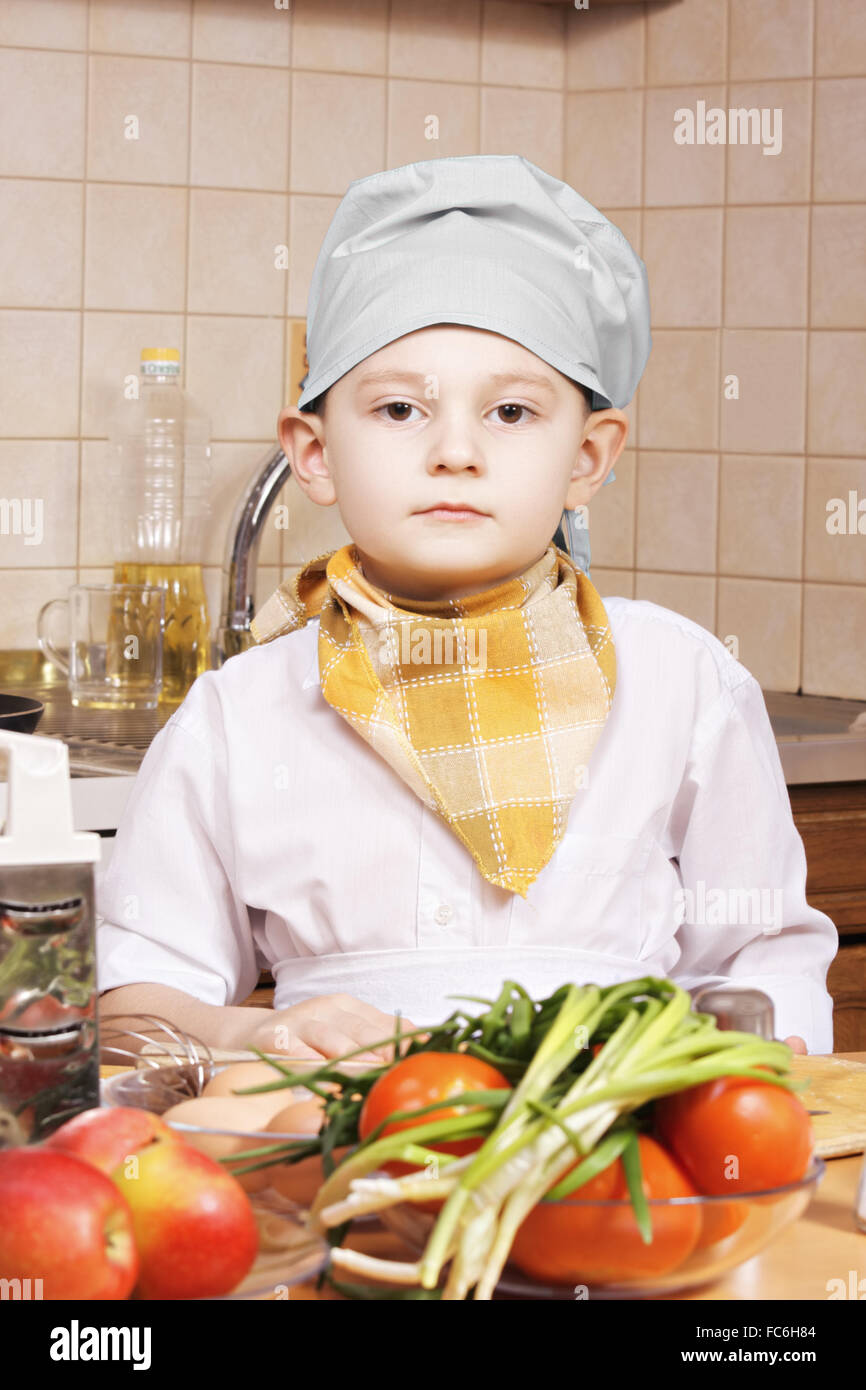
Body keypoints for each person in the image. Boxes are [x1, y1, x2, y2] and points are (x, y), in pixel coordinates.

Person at [96, 155, 837, 1060]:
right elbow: (135, 1002)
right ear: (314, 453)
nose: (455, 450)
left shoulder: (684, 685)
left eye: (514, 413)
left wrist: (747, 1095)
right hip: (329, 1165)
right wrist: (255, 1032)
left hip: (620, 1176)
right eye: (401, 408)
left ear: (588, 458)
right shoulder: (234, 717)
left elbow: (764, 964)